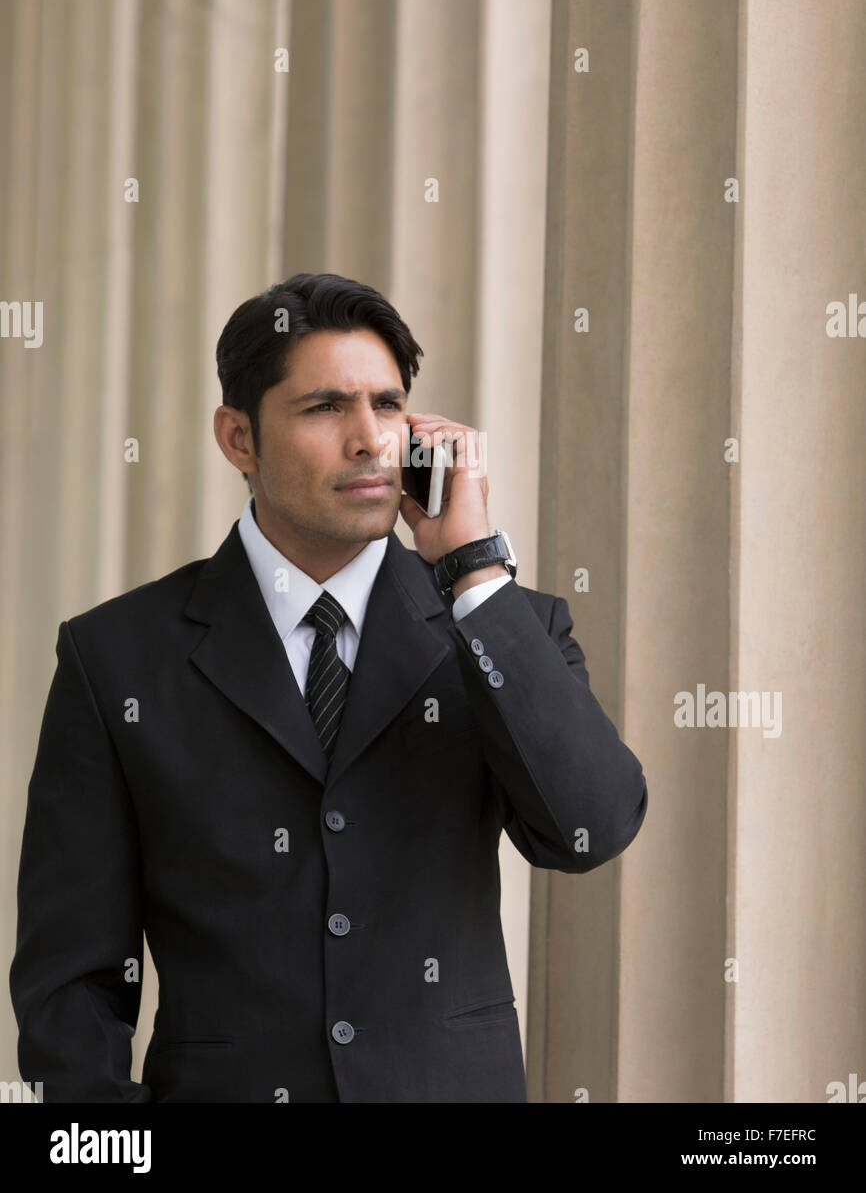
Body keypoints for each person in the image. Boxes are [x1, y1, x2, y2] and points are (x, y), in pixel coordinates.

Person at [9, 271, 648, 1103]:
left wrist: (475, 573)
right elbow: (72, 982)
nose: (370, 440)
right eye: (325, 408)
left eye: (388, 406)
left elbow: (590, 827)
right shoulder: (117, 657)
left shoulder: (498, 624)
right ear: (239, 438)